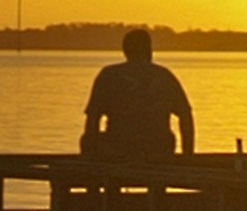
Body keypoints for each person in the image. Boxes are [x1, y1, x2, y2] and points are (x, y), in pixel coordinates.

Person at [81, 28, 195, 163]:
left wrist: (90, 155)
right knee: (165, 138)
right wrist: (188, 155)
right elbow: (185, 115)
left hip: (118, 148)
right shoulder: (164, 75)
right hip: (158, 148)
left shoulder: (109, 75)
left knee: (86, 139)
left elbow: (93, 117)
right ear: (149, 50)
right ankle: (157, 184)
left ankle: (105, 181)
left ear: (125, 51)